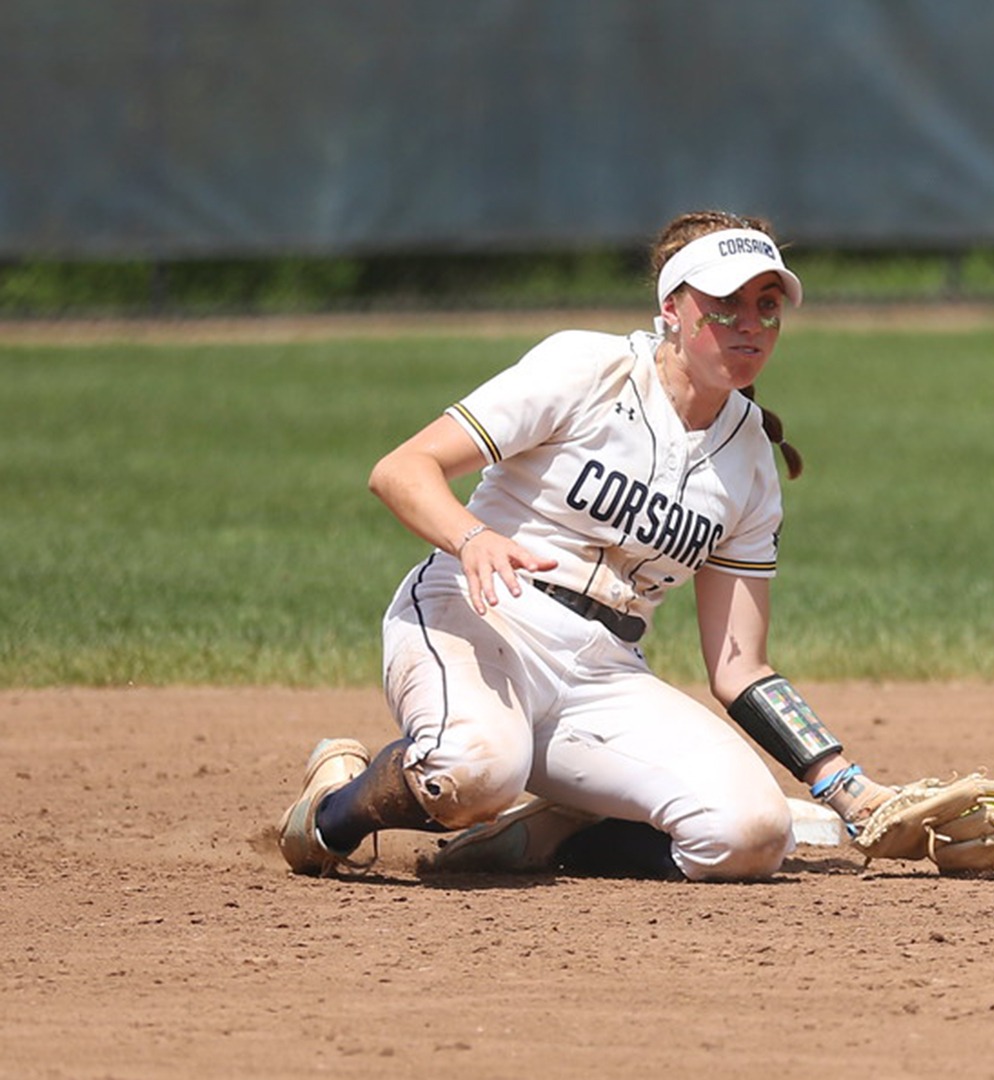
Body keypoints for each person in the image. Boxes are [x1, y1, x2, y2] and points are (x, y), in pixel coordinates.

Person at [277, 209, 944, 882]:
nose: (749, 323)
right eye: (725, 303)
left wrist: (848, 788)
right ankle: (332, 812)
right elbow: (401, 469)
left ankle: (556, 835)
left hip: (604, 673)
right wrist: (471, 537)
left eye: (766, 306)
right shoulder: (588, 368)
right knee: (473, 776)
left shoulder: (749, 460)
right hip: (481, 617)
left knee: (752, 837)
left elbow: (740, 667)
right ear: (673, 309)